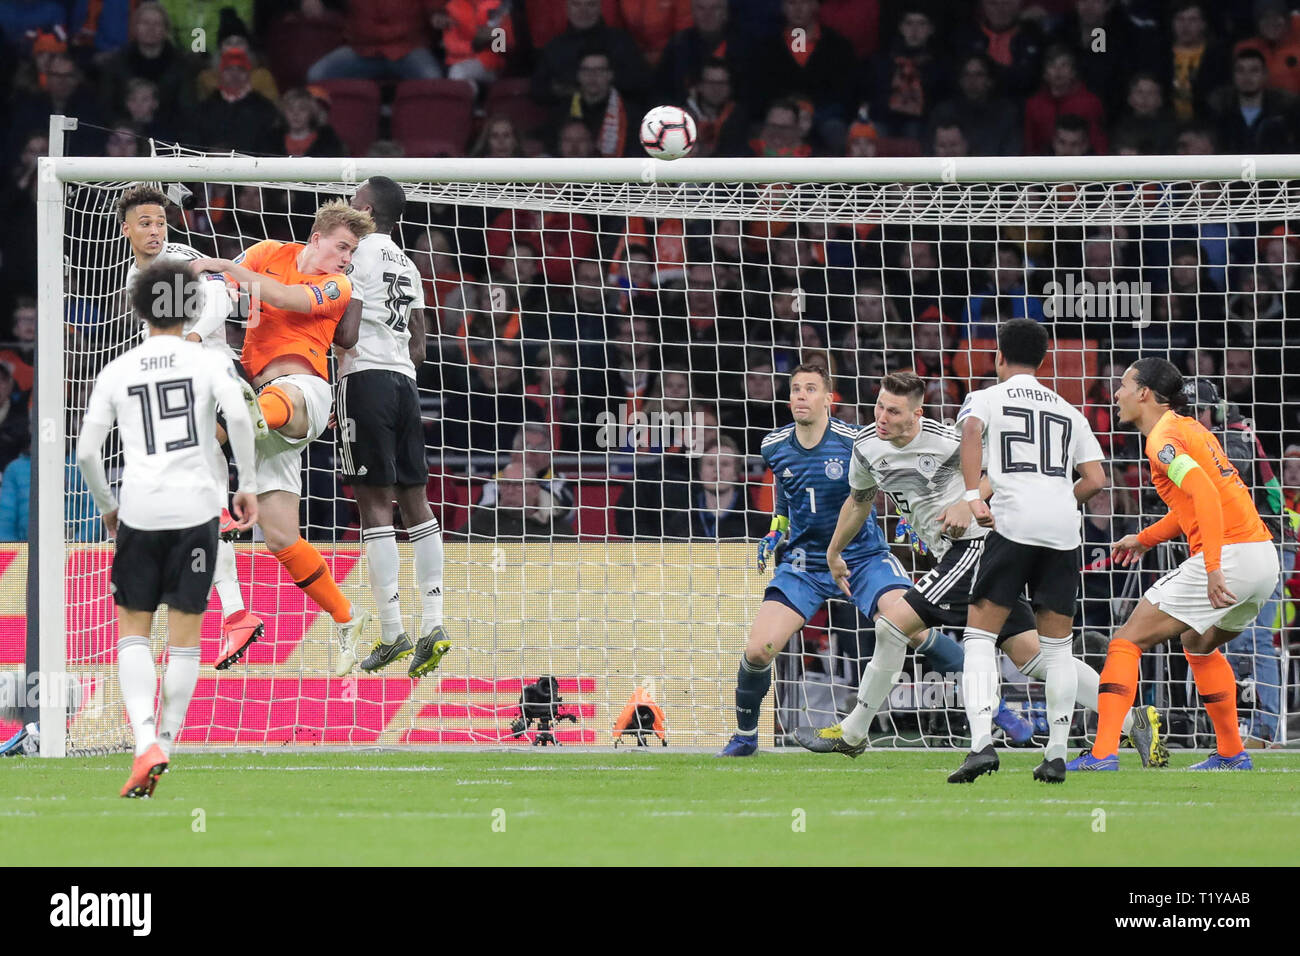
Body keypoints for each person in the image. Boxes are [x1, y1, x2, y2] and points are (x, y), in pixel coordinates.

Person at [796, 371, 1161, 765]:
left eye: (894, 411)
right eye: (880, 406)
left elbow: (1000, 472)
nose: (882, 417)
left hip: (975, 545)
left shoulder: (946, 440)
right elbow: (858, 501)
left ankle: (853, 732)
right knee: (1034, 657)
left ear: (917, 413)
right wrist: (835, 552)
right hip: (960, 554)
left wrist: (968, 500)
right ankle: (1133, 719)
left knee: (891, 626)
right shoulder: (867, 446)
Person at [718, 364, 984, 757]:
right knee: (759, 650)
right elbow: (787, 493)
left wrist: (912, 522)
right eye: (794, 389)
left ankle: (996, 711)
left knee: (910, 628)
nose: (800, 396)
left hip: (863, 557)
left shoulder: (854, 440)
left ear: (829, 398)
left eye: (810, 389)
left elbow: (884, 486)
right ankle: (744, 737)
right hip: (805, 563)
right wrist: (777, 528)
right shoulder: (772, 444)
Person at [76, 259, 260, 797]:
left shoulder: (118, 369)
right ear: (192, 308)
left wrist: (108, 505)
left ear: (138, 309)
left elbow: (88, 451)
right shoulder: (207, 365)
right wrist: (245, 482)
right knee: (185, 640)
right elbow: (243, 419)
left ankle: (143, 742)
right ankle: (170, 743)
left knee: (133, 632)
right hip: (197, 513)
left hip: (140, 511)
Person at [187, 200, 376, 679]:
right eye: (341, 246)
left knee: (217, 424)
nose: (346, 257)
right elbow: (225, 289)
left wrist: (224, 266)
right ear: (317, 238)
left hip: (304, 396)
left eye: (351, 251)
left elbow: (286, 299)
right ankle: (347, 617)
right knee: (280, 537)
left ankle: (218, 501)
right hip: (264, 412)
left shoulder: (339, 285)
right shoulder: (268, 251)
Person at [1071, 359, 1280, 771]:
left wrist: (1215, 567)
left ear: (1145, 393)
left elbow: (1203, 492)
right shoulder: (1190, 429)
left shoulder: (1163, 437)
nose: (1116, 394)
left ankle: (1102, 754)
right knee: (1197, 644)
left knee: (1125, 642)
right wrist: (1145, 538)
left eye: (1124, 386)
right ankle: (1232, 753)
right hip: (1262, 557)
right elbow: (1193, 505)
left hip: (1231, 556)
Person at [117, 184, 266, 671]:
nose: (155, 230)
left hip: (217, 369)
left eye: (160, 221)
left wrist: (194, 339)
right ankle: (237, 614)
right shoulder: (133, 281)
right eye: (145, 223)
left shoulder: (179, 257)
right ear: (128, 230)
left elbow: (223, 294)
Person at [954, 319, 1107, 783]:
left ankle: (981, 744)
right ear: (1043, 361)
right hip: (1063, 531)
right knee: (1058, 651)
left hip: (1013, 521)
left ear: (998, 356)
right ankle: (1057, 754)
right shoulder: (1069, 409)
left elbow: (972, 432)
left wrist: (971, 496)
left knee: (980, 637)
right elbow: (1097, 479)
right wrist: (1060, 501)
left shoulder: (986, 398)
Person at [337, 177, 452, 679]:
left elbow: (346, 330)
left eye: (351, 198)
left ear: (365, 207)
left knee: (374, 504)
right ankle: (434, 623)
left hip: (365, 381)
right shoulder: (410, 264)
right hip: (406, 385)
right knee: (416, 499)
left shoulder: (355, 257)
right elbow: (421, 346)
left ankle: (391, 632)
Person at [1183, 378, 1286, 747]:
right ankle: (1230, 731)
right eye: (1187, 412)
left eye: (1200, 412)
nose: (1193, 418)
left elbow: (1221, 477)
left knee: (1253, 639)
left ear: (1217, 411)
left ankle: (1262, 731)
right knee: (1222, 638)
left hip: (1270, 541)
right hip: (1236, 546)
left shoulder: (1236, 436)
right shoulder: (1200, 437)